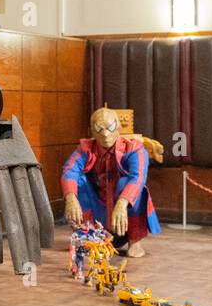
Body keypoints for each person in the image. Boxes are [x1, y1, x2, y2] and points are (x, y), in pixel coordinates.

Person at [61, 105, 160, 258]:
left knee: (131, 186)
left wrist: (122, 202)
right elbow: (69, 170)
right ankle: (88, 236)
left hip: (124, 216)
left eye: (110, 127)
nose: (106, 134)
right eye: (99, 129)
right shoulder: (85, 149)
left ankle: (135, 241)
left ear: (118, 127)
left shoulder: (134, 149)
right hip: (99, 212)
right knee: (77, 183)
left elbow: (138, 177)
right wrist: (70, 198)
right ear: (92, 132)